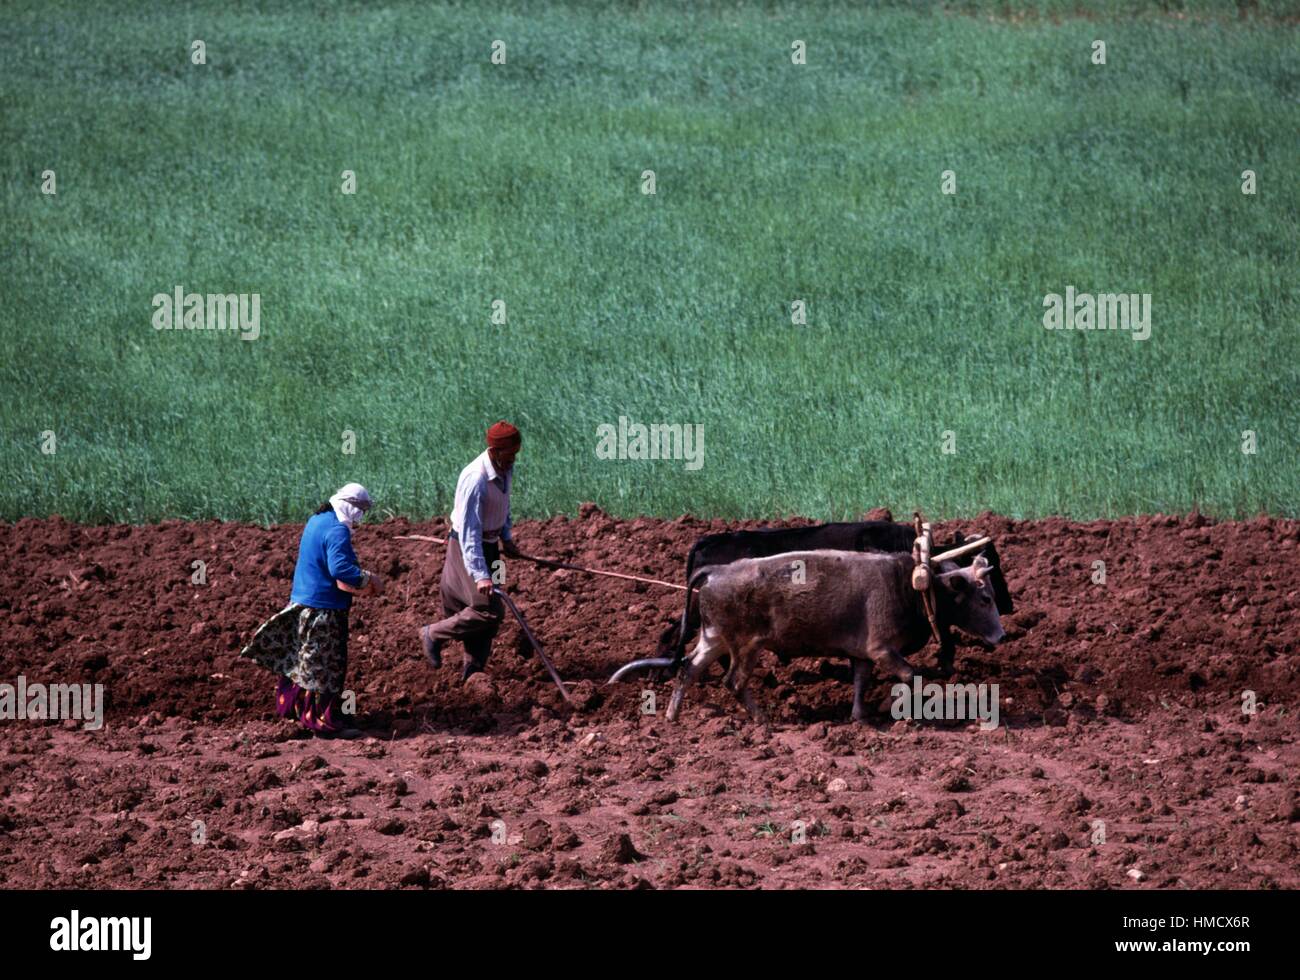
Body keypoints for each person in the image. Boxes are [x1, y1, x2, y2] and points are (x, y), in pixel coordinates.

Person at [240, 483, 384, 737]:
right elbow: (340, 570)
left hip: (303, 604)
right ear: (351, 507)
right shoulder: (338, 530)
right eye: (360, 511)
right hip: (323, 611)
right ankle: (323, 723)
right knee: (324, 668)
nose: (360, 520)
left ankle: (298, 710)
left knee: (305, 662)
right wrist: (369, 579)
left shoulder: (317, 520)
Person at [419, 421, 523, 680]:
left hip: (490, 545)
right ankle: (432, 633)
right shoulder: (475, 478)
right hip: (467, 547)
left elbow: (503, 505)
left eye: (515, 454)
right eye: (509, 454)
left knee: (489, 616)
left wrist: (506, 537)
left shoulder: (504, 468)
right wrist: (480, 574)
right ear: (494, 450)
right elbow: (469, 531)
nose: (513, 460)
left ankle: (473, 669)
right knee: (487, 609)